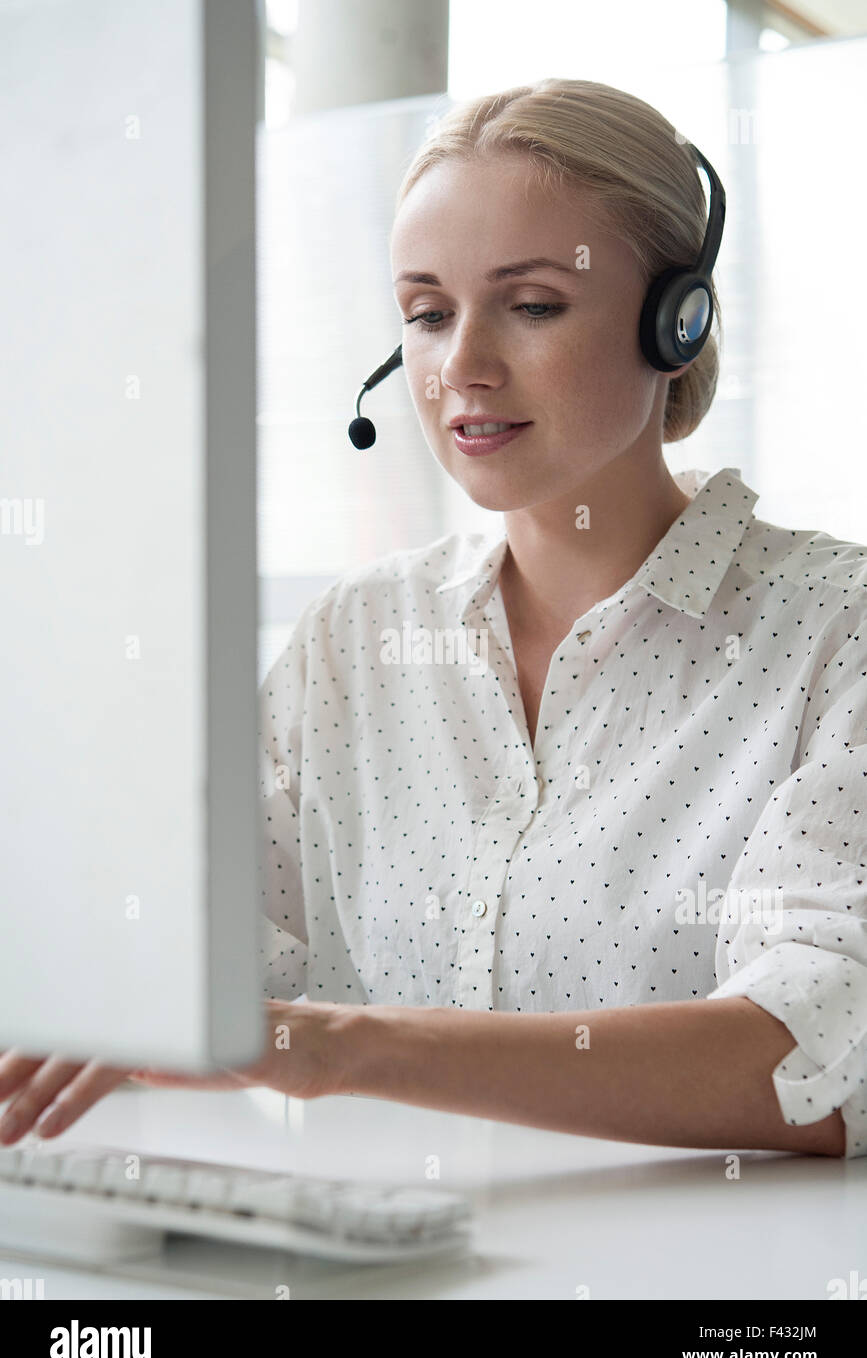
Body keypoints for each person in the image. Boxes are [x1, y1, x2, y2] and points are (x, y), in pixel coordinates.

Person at [2, 79, 865, 1158]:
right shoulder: (354, 640)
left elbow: (824, 1057)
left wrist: (347, 1047)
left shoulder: (837, 634)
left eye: (534, 303)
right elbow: (208, 970)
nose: (461, 366)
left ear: (675, 322)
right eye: (426, 312)